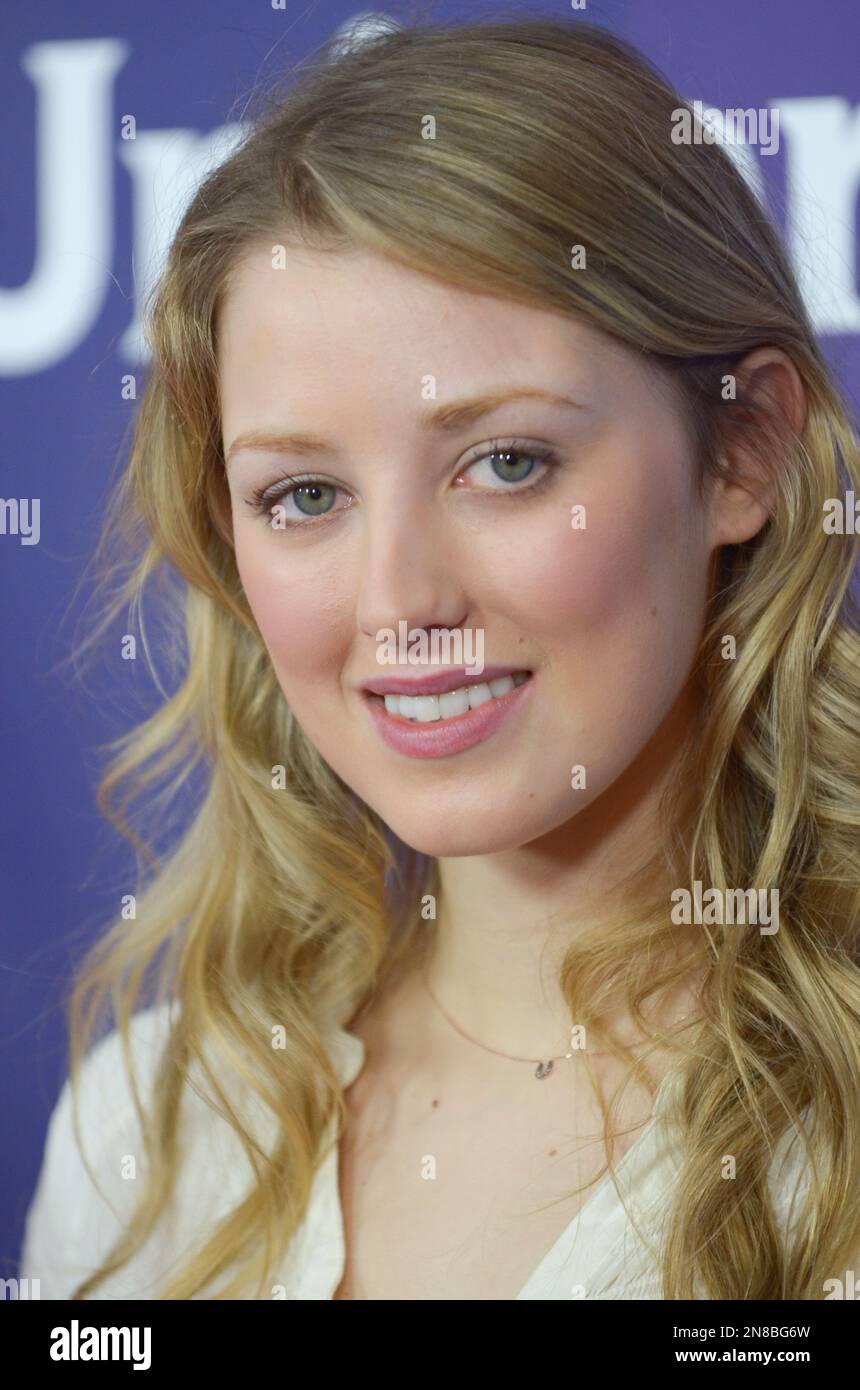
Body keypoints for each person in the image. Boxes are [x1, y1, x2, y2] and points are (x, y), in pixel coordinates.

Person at [20, 15, 860, 1300]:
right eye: (303, 495)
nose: (398, 602)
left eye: (505, 464)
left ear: (740, 451)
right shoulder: (156, 1122)